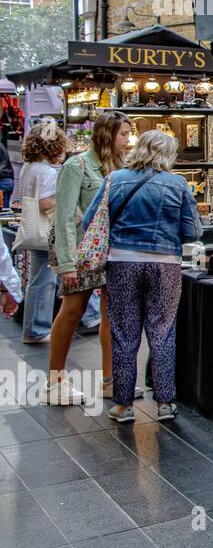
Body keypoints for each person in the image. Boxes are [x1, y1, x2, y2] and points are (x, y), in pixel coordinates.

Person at [83, 129, 201, 423]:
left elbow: (90, 221)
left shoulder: (115, 180)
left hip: (122, 261)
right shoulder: (177, 184)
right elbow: (193, 231)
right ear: (168, 155)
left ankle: (123, 405)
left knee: (123, 332)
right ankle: (164, 403)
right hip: (165, 264)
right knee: (162, 331)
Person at [45, 111, 133, 405]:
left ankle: (110, 380)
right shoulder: (77, 166)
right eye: (123, 135)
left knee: (112, 314)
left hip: (114, 251)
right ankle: (54, 382)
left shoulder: (121, 167)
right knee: (72, 310)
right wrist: (67, 263)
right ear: (107, 134)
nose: (128, 141)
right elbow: (65, 216)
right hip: (83, 251)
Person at [14, 121, 67, 344]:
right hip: (47, 231)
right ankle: (36, 329)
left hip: (34, 229)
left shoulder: (29, 167)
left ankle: (34, 327)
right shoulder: (48, 172)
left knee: (40, 279)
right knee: (45, 281)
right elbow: (46, 203)